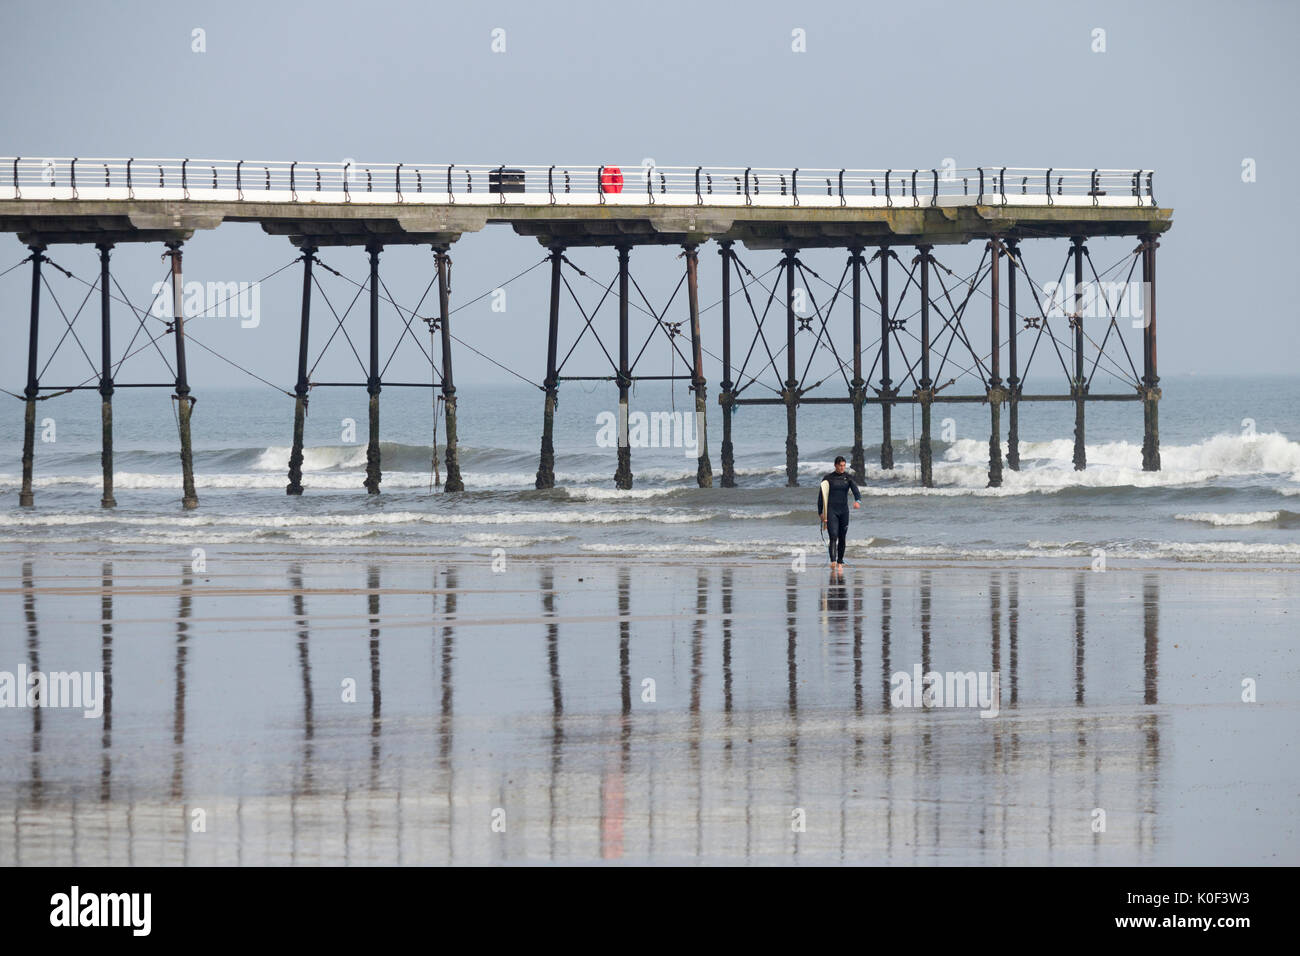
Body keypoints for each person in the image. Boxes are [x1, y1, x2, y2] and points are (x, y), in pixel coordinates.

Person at [816, 456, 861, 573]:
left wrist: (857, 501)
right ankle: (833, 561)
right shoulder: (828, 479)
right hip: (831, 511)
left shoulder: (848, 478)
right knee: (833, 536)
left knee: (842, 538)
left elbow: (856, 491)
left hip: (844, 511)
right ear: (835, 465)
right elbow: (821, 497)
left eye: (844, 465)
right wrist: (820, 512)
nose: (842, 468)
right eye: (840, 465)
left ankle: (840, 562)